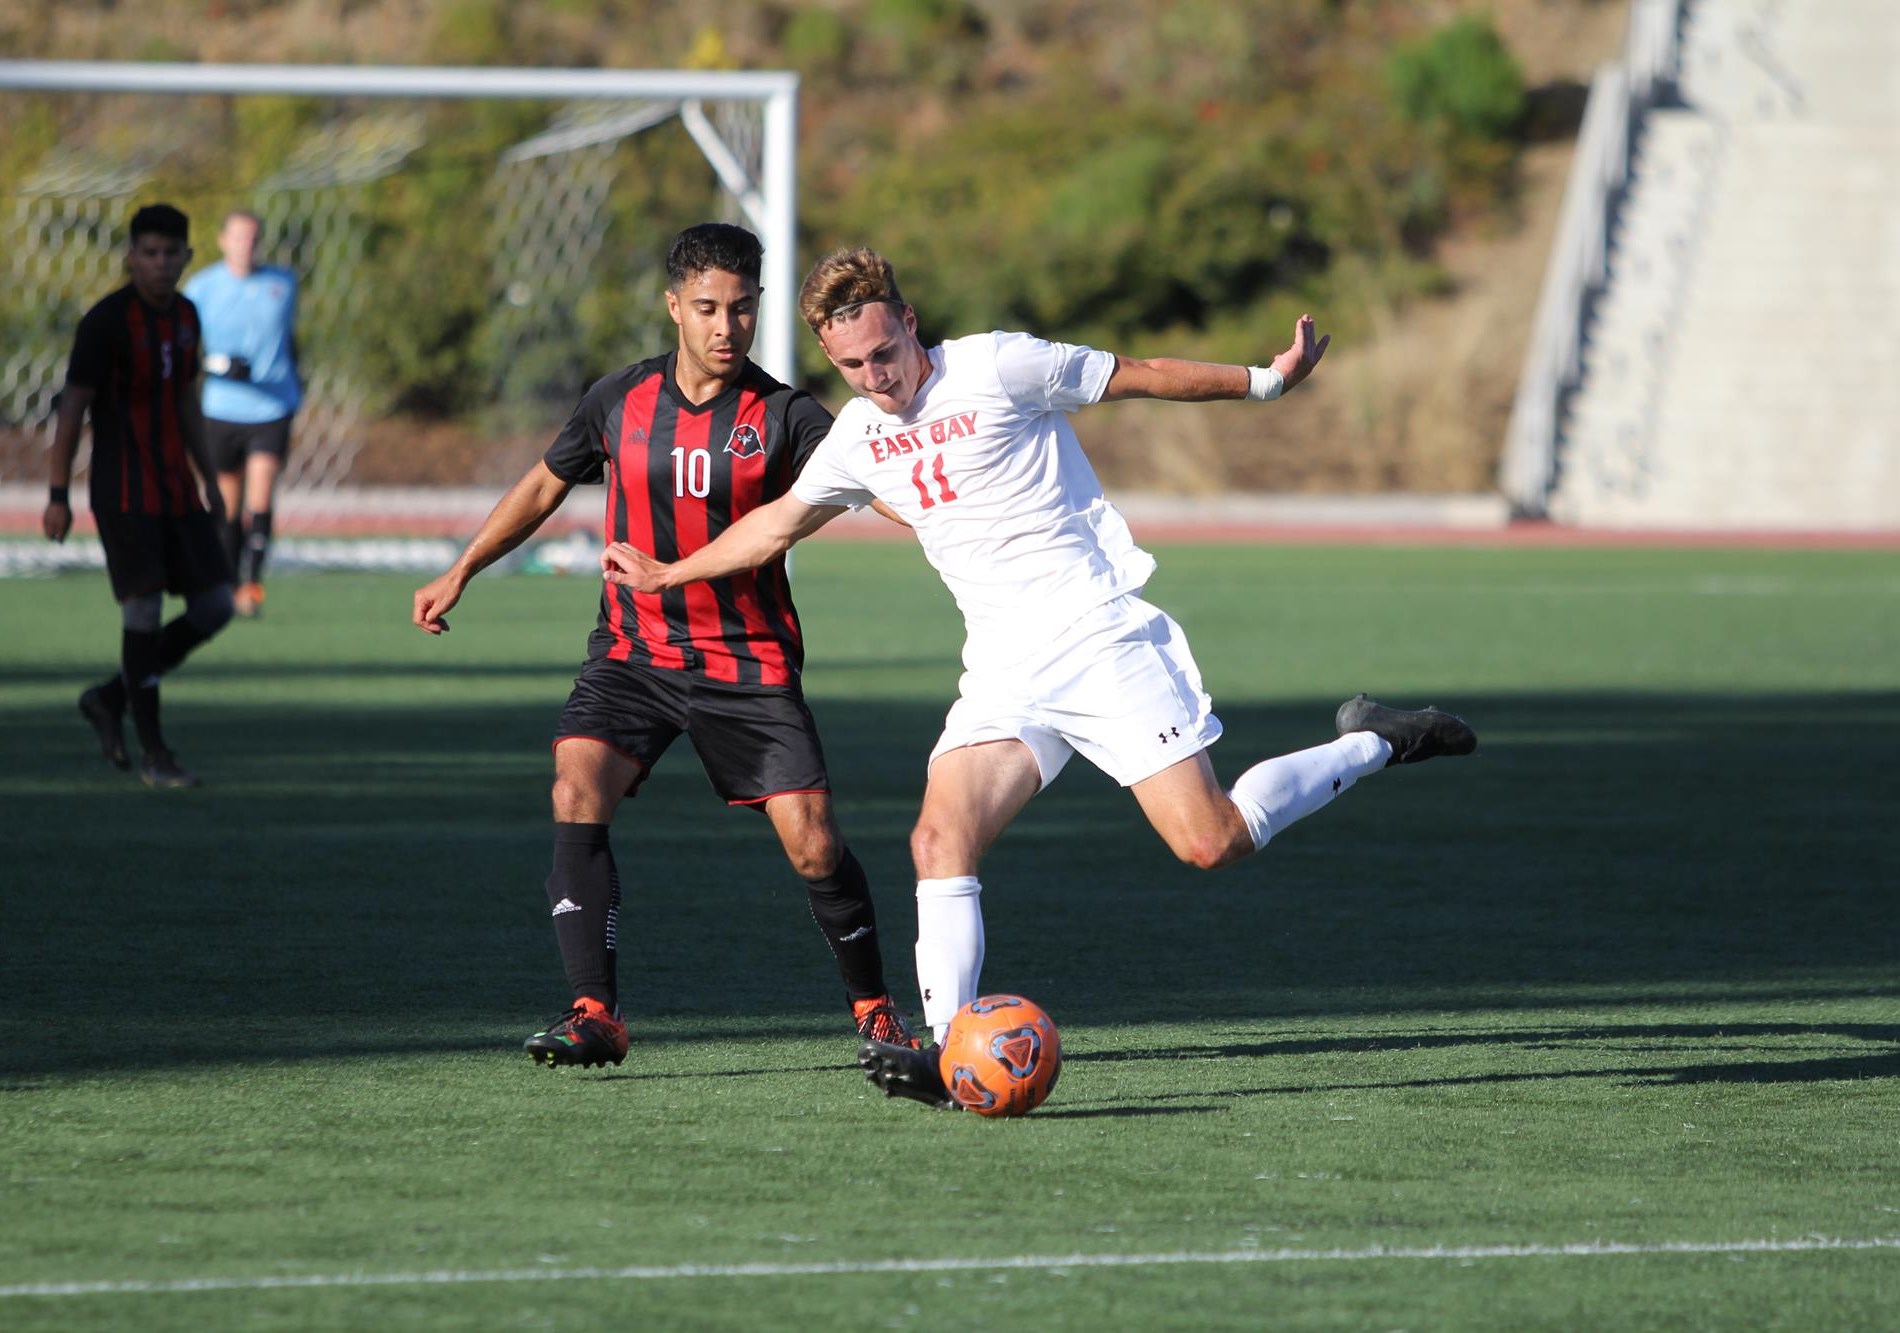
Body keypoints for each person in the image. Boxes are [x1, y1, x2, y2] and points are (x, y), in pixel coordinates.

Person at [599, 246, 1478, 1107]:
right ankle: (946, 1056)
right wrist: (672, 575)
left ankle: (1373, 740)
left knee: (1210, 841)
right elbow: (776, 524)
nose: (878, 377)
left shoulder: (999, 365)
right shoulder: (859, 438)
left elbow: (1141, 372)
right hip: (1004, 669)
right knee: (938, 841)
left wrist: (1267, 380)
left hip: (1100, 637)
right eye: (854, 365)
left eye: (887, 353)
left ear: (910, 322)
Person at [411, 223, 917, 1071]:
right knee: (576, 781)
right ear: (674, 306)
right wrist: (463, 565)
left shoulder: (786, 414)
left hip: (746, 661)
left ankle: (874, 1008)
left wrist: (969, 518)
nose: (728, 328)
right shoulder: (619, 400)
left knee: (815, 843)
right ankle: (594, 1012)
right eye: (711, 309)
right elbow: (544, 482)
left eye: (744, 310)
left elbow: (883, 486)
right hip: (633, 652)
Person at [43, 203, 235, 790]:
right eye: (147, 253)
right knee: (144, 612)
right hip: (123, 491)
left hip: (176, 486)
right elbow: (72, 409)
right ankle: (155, 754)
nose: (158, 263)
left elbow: (185, 402)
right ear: (131, 258)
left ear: (187, 257)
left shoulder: (187, 316)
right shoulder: (105, 322)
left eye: (169, 253)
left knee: (216, 606)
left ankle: (108, 697)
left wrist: (208, 477)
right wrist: (57, 493)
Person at [184, 208, 303, 618]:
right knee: (227, 508)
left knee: (261, 494)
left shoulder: (282, 284)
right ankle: (228, 583)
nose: (245, 245)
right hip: (222, 409)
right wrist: (218, 365)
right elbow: (185, 351)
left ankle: (252, 583)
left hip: (271, 408)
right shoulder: (202, 288)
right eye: (238, 237)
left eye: (252, 238)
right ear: (222, 241)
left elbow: (289, 341)